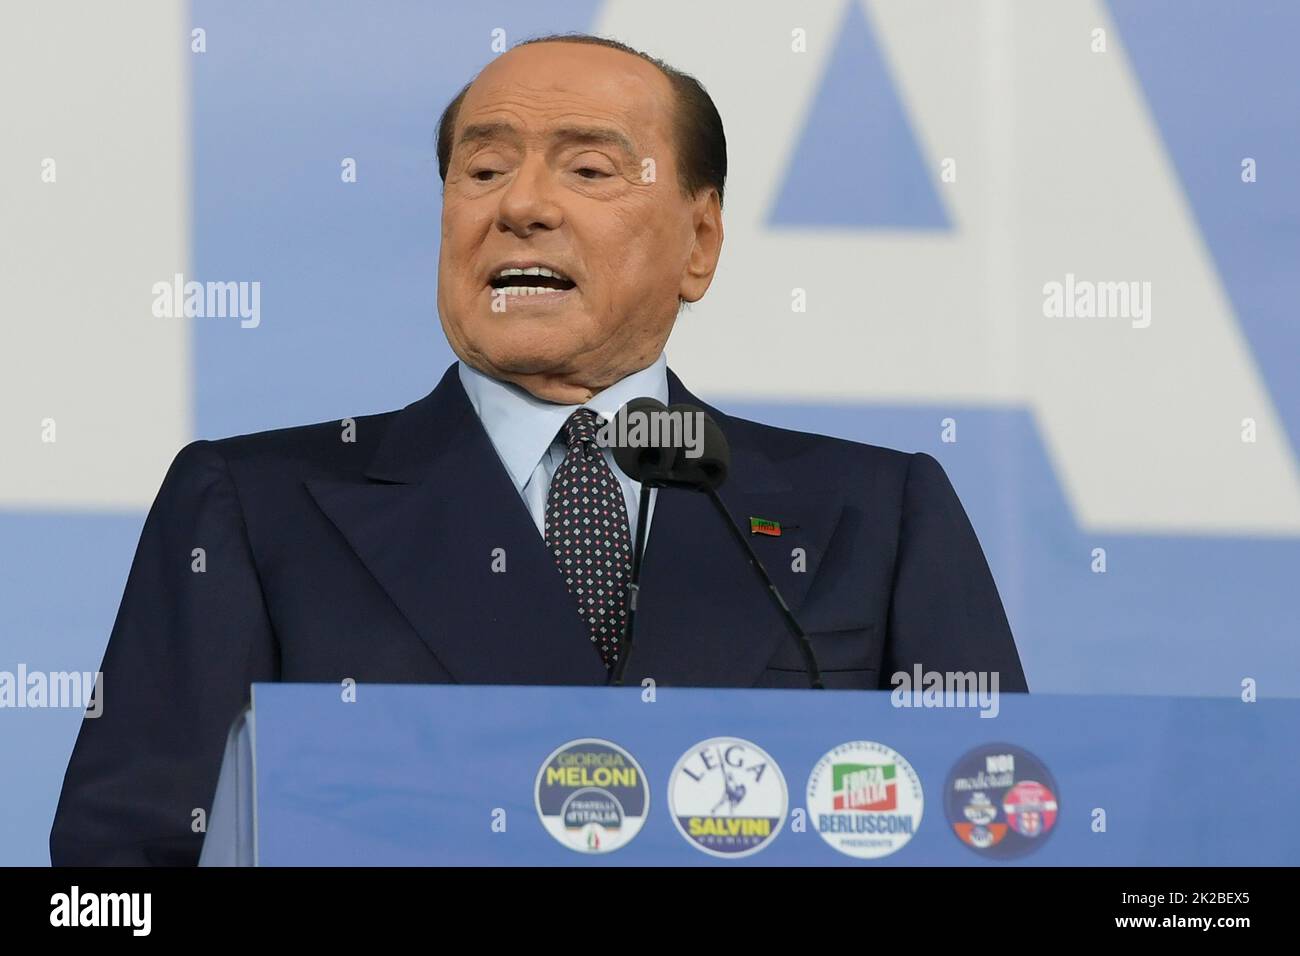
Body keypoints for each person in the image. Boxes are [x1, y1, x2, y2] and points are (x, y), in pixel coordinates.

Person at [50, 34, 1026, 866]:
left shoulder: (874, 512)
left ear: (699, 239)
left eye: (588, 169)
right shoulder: (255, 504)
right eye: (482, 170)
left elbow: (1000, 825)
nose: (519, 205)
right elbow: (120, 866)